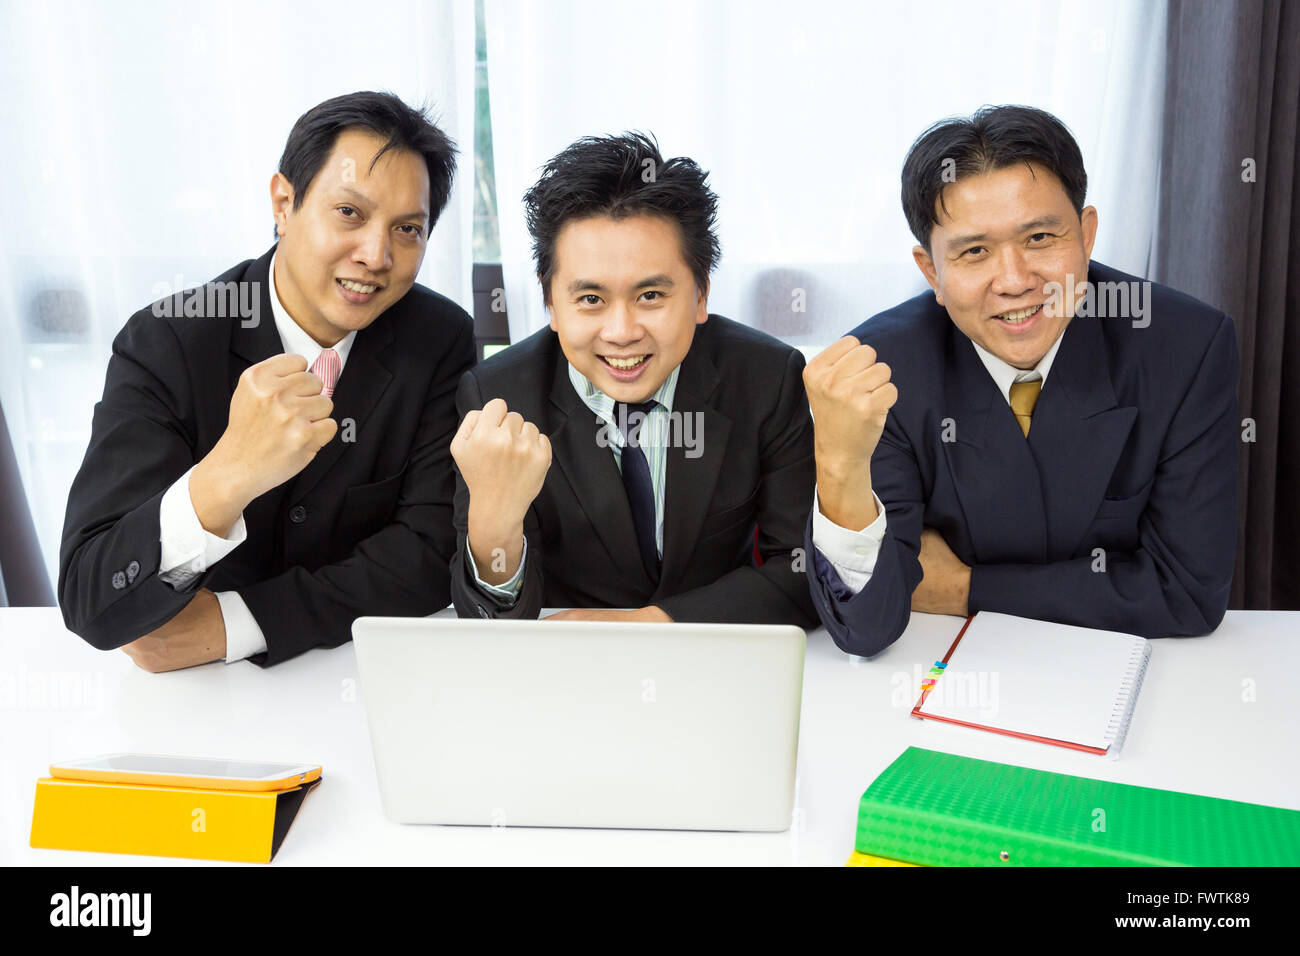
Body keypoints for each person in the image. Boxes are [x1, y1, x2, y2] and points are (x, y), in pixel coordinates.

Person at [59, 91, 475, 670]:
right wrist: (230, 472)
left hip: (358, 678)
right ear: (284, 202)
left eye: (408, 229)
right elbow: (91, 597)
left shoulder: (439, 337)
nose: (377, 255)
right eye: (350, 213)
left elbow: (431, 552)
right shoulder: (167, 341)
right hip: (196, 706)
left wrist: (240, 624)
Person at [804, 105, 1238, 655]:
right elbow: (866, 628)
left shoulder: (1186, 346)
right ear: (931, 271)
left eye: (1039, 238)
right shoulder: (884, 367)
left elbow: (1188, 595)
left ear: (1086, 233)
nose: (1013, 281)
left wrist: (964, 587)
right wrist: (839, 461)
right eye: (975, 251)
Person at [448, 132, 816, 626]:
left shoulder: (768, 378)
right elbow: (488, 624)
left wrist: (652, 625)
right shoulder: (499, 397)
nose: (621, 333)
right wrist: (495, 519)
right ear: (551, 302)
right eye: (591, 300)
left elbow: (799, 570)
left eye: (650, 296)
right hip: (570, 672)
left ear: (701, 293)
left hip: (719, 662)